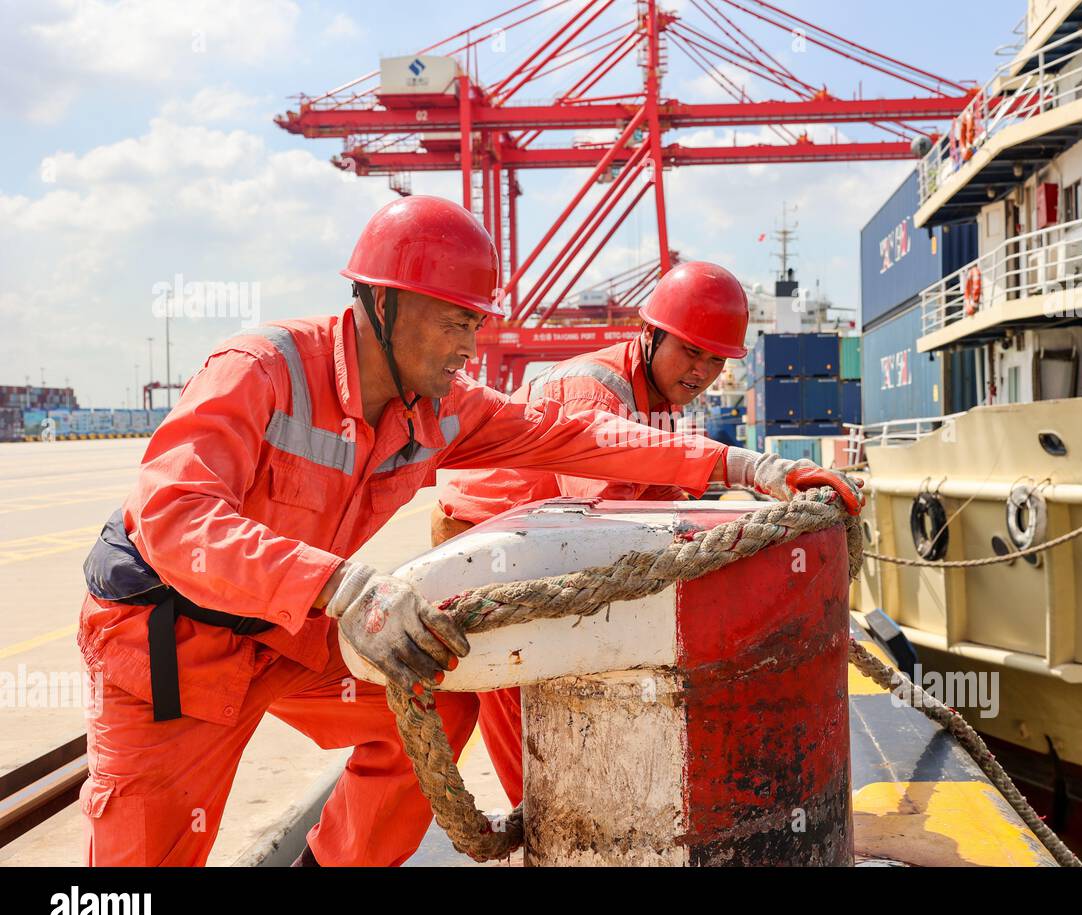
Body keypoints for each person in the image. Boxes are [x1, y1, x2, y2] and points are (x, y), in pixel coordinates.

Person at [77, 195, 862, 866]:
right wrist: (342, 585)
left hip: (288, 631)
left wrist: (745, 468)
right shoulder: (262, 369)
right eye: (455, 322)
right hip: (171, 646)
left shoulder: (439, 407)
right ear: (379, 303)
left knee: (431, 700)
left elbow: (582, 438)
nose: (468, 347)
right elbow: (174, 516)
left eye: (475, 325)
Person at [430, 259, 780, 806]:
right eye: (691, 351)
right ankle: (544, 824)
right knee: (524, 709)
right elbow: (601, 525)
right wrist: (743, 474)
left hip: (532, 543)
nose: (702, 371)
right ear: (649, 335)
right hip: (486, 552)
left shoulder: (656, 402)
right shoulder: (598, 390)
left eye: (716, 360)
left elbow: (656, 503)